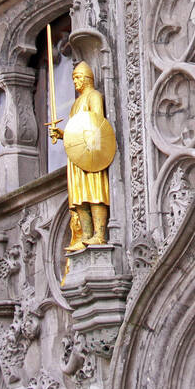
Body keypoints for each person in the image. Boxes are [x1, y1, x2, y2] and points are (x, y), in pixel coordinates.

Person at [49, 62, 111, 251]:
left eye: (77, 78)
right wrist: (62, 134)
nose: (75, 82)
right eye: (73, 78)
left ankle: (99, 234)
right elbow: (74, 130)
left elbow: (97, 123)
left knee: (94, 192)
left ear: (87, 78)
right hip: (77, 156)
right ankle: (85, 234)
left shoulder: (94, 96)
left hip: (91, 153)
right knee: (79, 196)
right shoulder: (76, 103)